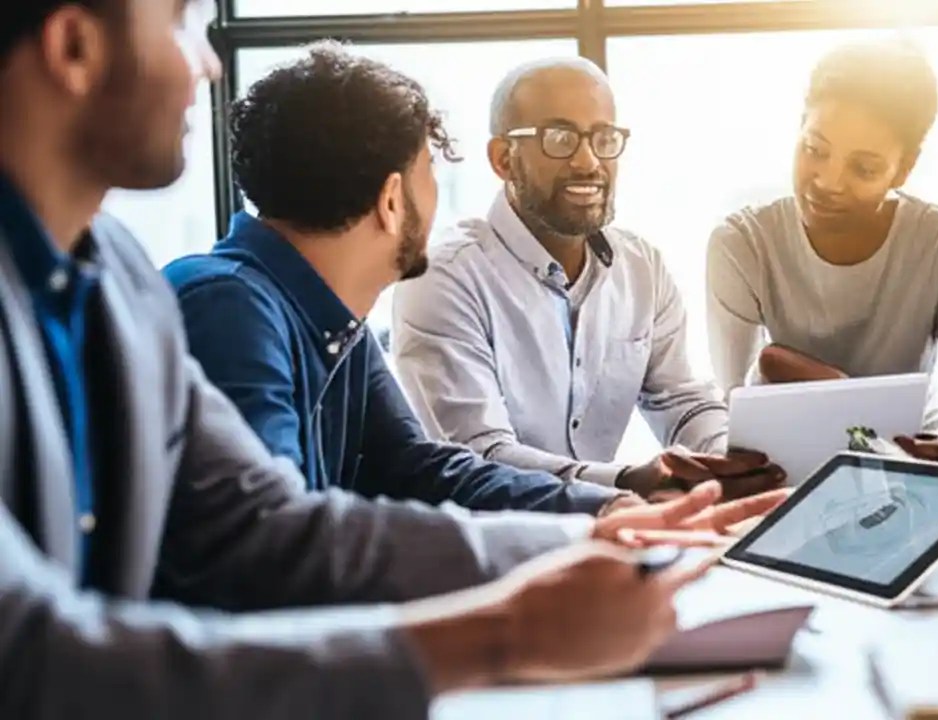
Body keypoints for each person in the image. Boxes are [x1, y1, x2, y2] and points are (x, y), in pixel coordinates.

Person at [0, 2, 788, 715]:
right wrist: (500, 633)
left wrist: (602, 529)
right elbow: (42, 658)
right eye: (177, 23)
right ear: (75, 45)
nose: (205, 64)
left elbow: (331, 497)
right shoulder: (222, 303)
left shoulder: (124, 284)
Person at [164, 43, 628, 515]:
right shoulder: (229, 308)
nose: (436, 201)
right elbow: (272, 530)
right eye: (428, 172)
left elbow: (419, 469)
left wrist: (607, 509)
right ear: (391, 201)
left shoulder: (334, 324)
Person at [391, 57, 784, 500]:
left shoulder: (642, 268)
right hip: (484, 545)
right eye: (560, 138)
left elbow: (682, 401)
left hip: (608, 530)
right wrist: (624, 481)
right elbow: (478, 454)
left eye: (604, 138)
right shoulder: (444, 277)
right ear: (503, 159)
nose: (588, 161)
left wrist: (732, 461)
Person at [705, 39, 938, 435]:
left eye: (863, 168)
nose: (828, 182)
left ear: (904, 169)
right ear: (799, 128)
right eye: (814, 149)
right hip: (785, 450)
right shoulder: (742, 243)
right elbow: (737, 400)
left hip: (912, 454)